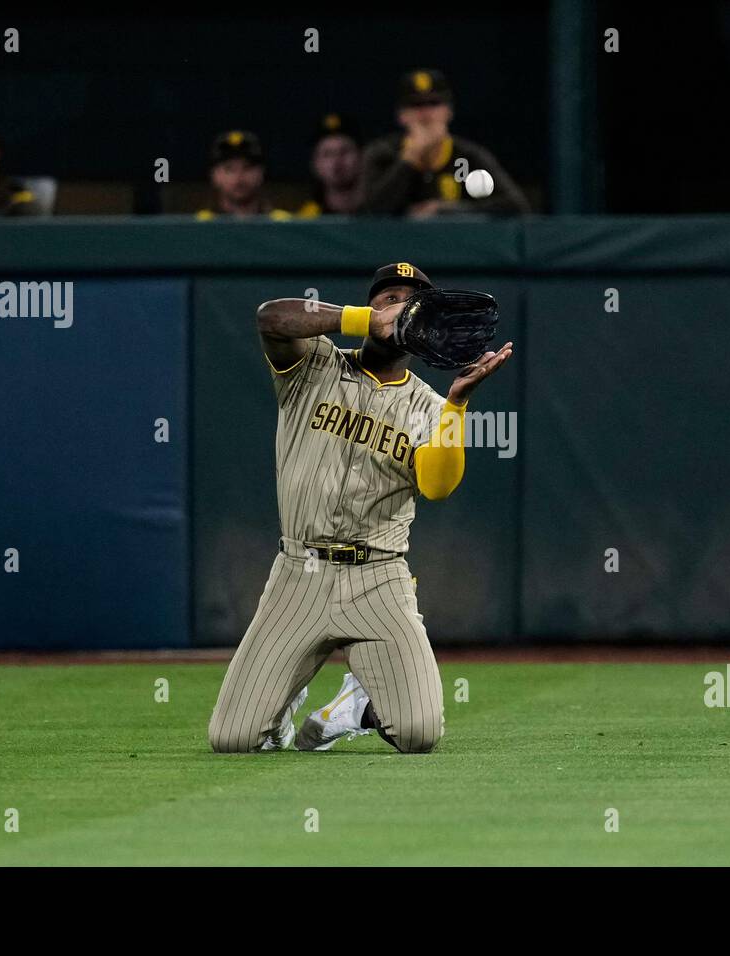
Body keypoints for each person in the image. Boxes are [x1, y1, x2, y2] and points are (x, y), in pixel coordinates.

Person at [207, 262, 513, 754]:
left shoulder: (431, 407)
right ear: (367, 306)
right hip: (298, 574)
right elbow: (271, 318)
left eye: (413, 304)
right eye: (389, 298)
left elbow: (437, 487)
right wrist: (361, 320)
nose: (399, 309)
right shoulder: (314, 365)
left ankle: (355, 707)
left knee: (419, 733)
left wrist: (457, 405)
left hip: (379, 579)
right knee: (232, 740)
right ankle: (283, 701)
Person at [361, 69, 529, 217]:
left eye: (434, 103)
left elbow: (515, 206)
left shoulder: (467, 157)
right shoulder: (383, 154)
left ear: (448, 111)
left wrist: (445, 210)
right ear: (401, 115)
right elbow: (367, 213)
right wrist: (409, 160)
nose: (426, 114)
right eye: (416, 105)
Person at [195, 130, 290, 220]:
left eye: (247, 167)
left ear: (261, 173)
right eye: (229, 169)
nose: (239, 176)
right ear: (215, 175)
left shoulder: (283, 224)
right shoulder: (198, 226)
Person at [295, 113, 364, 217]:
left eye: (344, 152)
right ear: (315, 164)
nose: (337, 161)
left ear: (361, 156)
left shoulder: (382, 213)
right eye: (327, 154)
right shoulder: (307, 221)